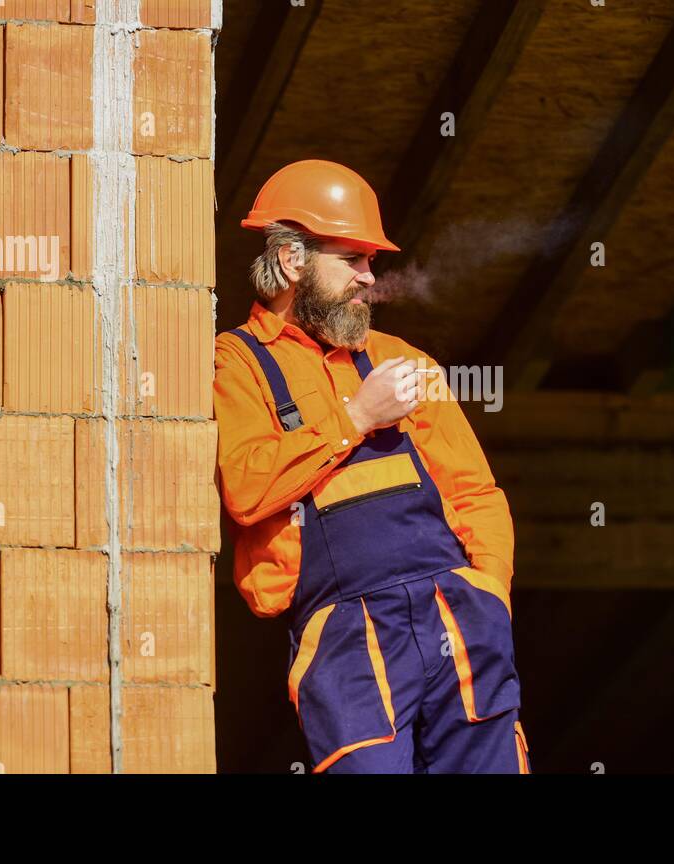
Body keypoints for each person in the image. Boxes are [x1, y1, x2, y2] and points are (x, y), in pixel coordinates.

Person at [213, 159, 531, 773]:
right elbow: (246, 489)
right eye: (352, 259)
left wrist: (489, 593)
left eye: (372, 262)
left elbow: (476, 495)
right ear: (292, 261)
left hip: (458, 617)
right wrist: (356, 417)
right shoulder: (237, 363)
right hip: (344, 641)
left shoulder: (402, 360)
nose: (368, 277)